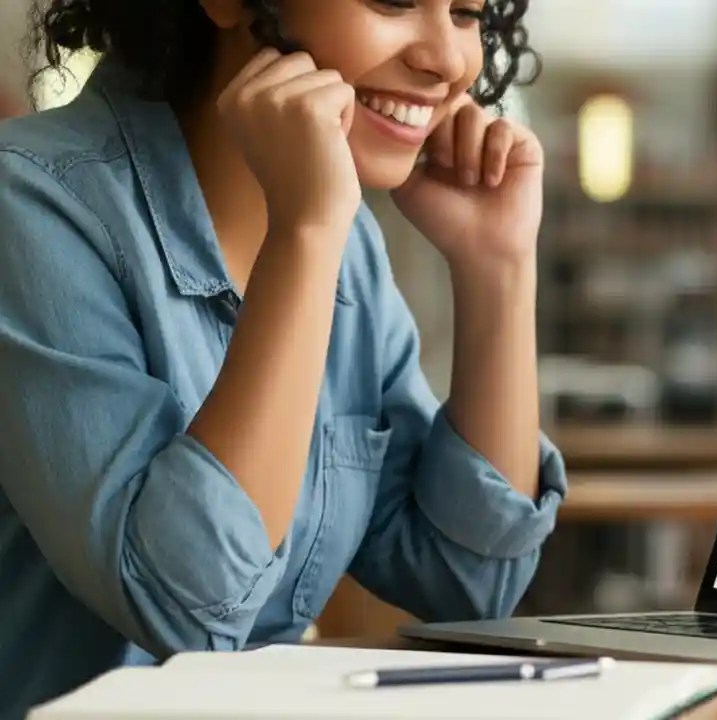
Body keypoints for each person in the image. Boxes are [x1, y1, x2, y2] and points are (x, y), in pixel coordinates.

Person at [0, 0, 565, 715]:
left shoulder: (347, 244)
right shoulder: (30, 204)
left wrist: (499, 269)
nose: (448, 60)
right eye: (393, 1)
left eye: (464, 13)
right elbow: (185, 610)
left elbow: (466, 581)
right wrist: (306, 232)